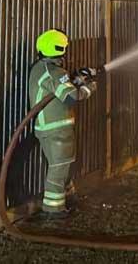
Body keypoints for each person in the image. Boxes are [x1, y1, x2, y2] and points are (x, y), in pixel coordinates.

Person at [27, 29, 98, 219]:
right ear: (59, 49)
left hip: (53, 128)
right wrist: (89, 87)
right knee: (59, 169)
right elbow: (71, 97)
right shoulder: (53, 72)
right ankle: (53, 211)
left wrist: (77, 77)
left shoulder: (44, 69)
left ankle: (69, 199)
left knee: (65, 166)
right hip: (55, 129)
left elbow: (60, 88)